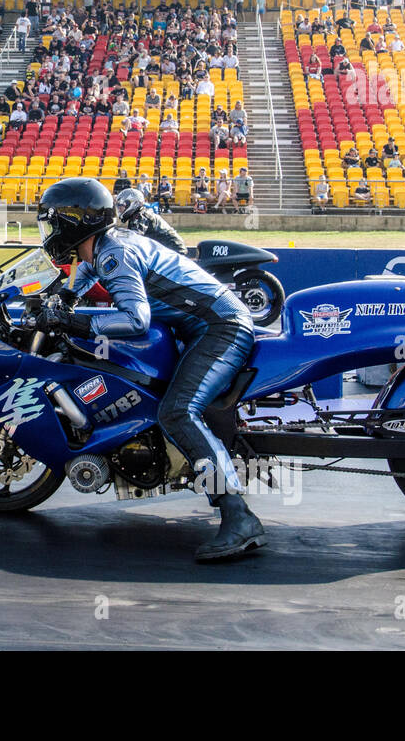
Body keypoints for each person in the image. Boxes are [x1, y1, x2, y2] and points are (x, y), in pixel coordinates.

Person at [33, 178, 264, 561]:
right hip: (199, 326)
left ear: (77, 221)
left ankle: (239, 516)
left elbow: (136, 319)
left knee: (176, 411)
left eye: (55, 223)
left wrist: (73, 323)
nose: (52, 232)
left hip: (220, 326)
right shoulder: (102, 249)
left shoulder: (114, 253)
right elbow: (84, 281)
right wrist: (59, 300)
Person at [114, 187, 189, 254]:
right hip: (164, 250)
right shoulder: (136, 215)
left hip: (174, 251)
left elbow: (134, 238)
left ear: (133, 204)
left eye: (122, 206)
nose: (120, 209)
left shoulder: (141, 215)